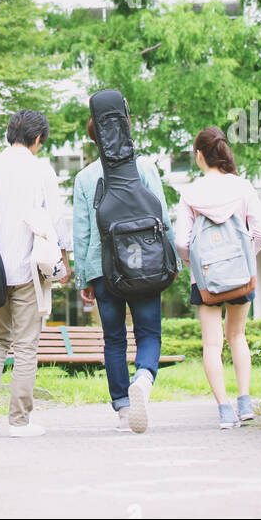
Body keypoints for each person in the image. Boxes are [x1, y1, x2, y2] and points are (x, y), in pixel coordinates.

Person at [73, 104, 179, 434]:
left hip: (103, 268)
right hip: (144, 263)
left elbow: (81, 232)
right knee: (149, 333)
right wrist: (171, 258)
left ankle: (122, 407)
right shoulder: (144, 167)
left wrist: (83, 276)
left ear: (94, 138)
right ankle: (144, 380)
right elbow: (162, 216)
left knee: (114, 339)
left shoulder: (84, 177)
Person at [0, 109, 71, 438]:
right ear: (38, 138)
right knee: (27, 345)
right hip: (29, 269)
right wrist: (63, 262)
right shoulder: (41, 170)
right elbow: (55, 221)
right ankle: (20, 420)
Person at [174, 126, 261, 429]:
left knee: (212, 345)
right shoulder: (242, 187)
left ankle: (225, 410)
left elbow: (181, 243)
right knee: (238, 336)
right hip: (240, 273)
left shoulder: (190, 193)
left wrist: (195, 267)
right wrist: (246, 259)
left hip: (205, 280)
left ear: (200, 155)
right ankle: (245, 401)